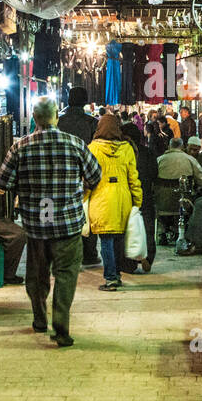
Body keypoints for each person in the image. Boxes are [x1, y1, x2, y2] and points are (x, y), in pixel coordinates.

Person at [0, 96, 102, 347]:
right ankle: (61, 326)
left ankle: (40, 318)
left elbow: (3, 183)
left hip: (36, 227)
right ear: (55, 117)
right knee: (65, 275)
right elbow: (95, 176)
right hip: (68, 225)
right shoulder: (75, 144)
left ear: (34, 118)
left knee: (37, 275)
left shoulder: (20, 147)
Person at [86, 113, 143, 292]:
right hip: (122, 199)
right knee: (118, 240)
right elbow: (134, 178)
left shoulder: (92, 148)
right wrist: (137, 201)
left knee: (106, 241)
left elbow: (88, 178)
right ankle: (116, 274)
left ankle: (111, 278)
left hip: (101, 200)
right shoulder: (127, 148)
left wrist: (83, 197)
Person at [58, 86, 100, 267]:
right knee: (86, 214)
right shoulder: (91, 122)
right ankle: (89, 253)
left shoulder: (59, 121)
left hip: (61, 175)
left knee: (62, 215)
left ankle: (65, 255)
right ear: (85, 101)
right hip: (84, 174)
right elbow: (94, 150)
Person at [119, 122, 157, 275]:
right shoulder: (148, 152)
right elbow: (155, 173)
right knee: (147, 227)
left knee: (127, 229)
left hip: (127, 196)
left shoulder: (123, 152)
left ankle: (129, 262)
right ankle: (147, 256)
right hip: (146, 194)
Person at [155, 137, 202, 244]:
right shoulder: (189, 159)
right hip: (183, 203)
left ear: (169, 146)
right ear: (182, 147)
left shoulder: (159, 160)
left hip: (161, 203)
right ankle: (178, 230)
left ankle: (162, 230)